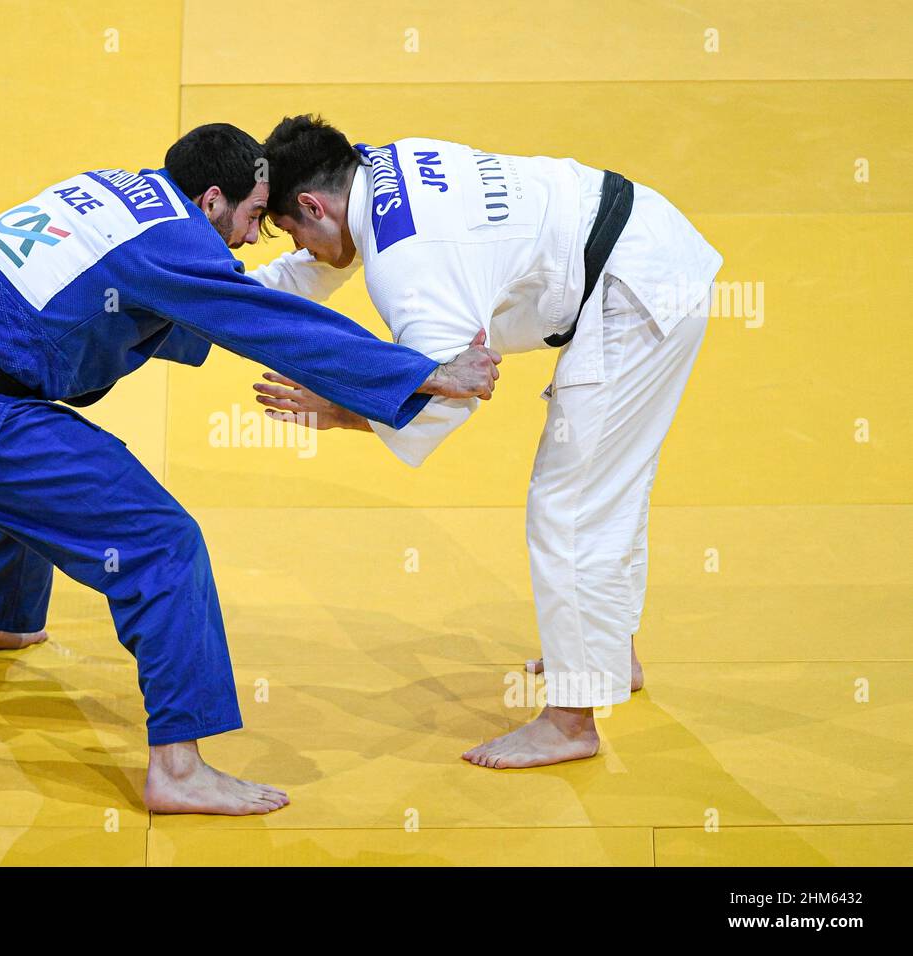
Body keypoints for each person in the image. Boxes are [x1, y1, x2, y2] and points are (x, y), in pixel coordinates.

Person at [0, 123, 501, 814]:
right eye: (249, 218)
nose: (249, 238)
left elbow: (196, 305)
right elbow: (259, 320)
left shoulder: (117, 195)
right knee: (159, 540)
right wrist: (423, 372)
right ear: (213, 199)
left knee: (30, 475)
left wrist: (319, 282)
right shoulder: (170, 242)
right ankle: (178, 769)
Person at [250, 115, 721, 768]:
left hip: (632, 297)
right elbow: (315, 265)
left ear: (311, 204)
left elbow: (452, 397)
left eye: (291, 229)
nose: (297, 245)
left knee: (571, 504)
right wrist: (210, 292)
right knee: (608, 486)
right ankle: (610, 655)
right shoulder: (382, 167)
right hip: (641, 248)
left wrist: (340, 412)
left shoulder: (405, 270)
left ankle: (570, 722)